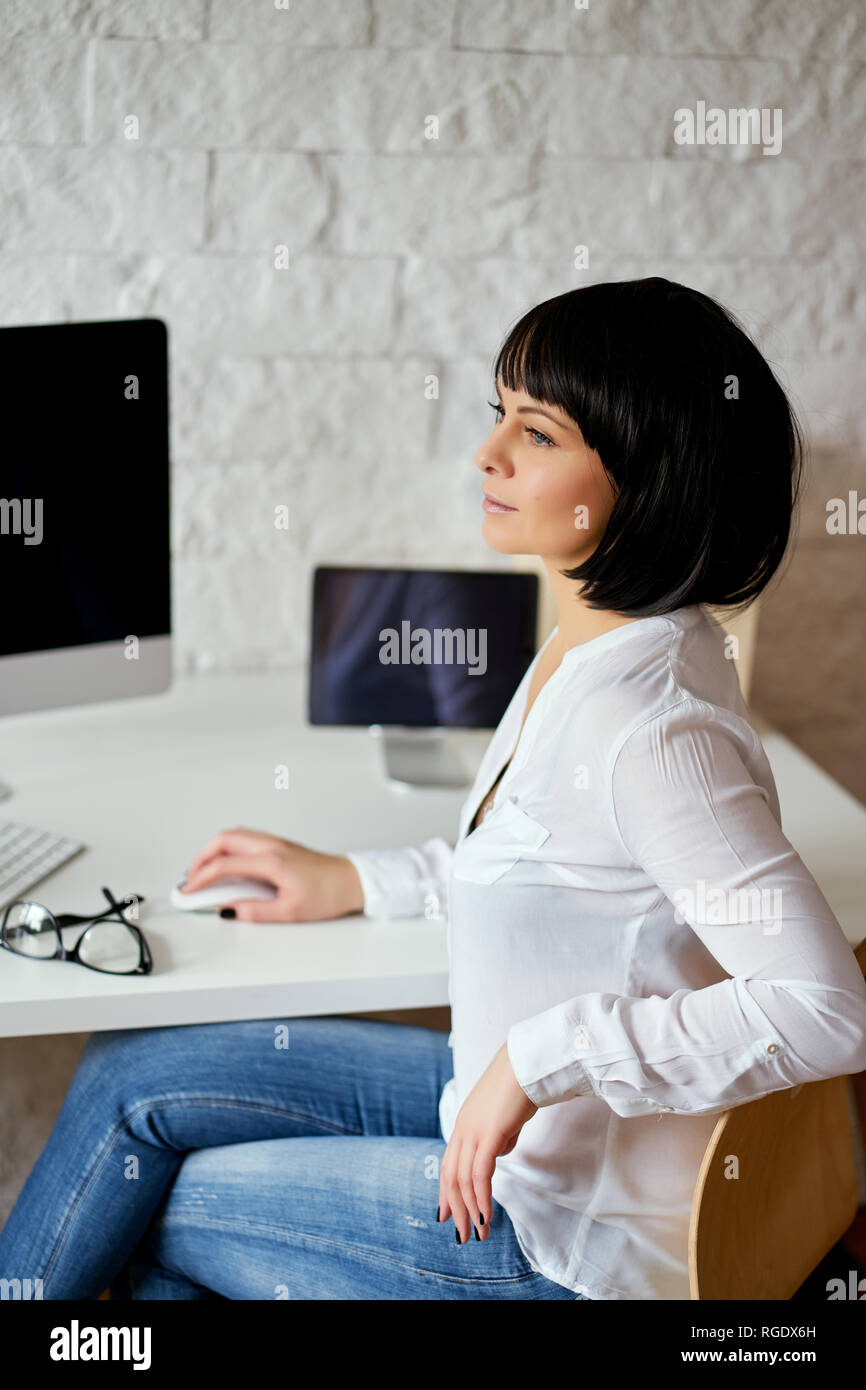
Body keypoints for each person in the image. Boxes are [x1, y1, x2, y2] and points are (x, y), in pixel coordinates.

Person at [3, 277, 865, 1301]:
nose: (486, 455)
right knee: (127, 1076)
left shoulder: (654, 727)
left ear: (645, 478)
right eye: (497, 415)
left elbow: (823, 1008)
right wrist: (359, 881)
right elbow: (551, 861)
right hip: (508, 1121)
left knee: (159, 1207)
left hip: (558, 1233)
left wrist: (539, 1058)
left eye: (536, 434)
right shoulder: (597, 645)